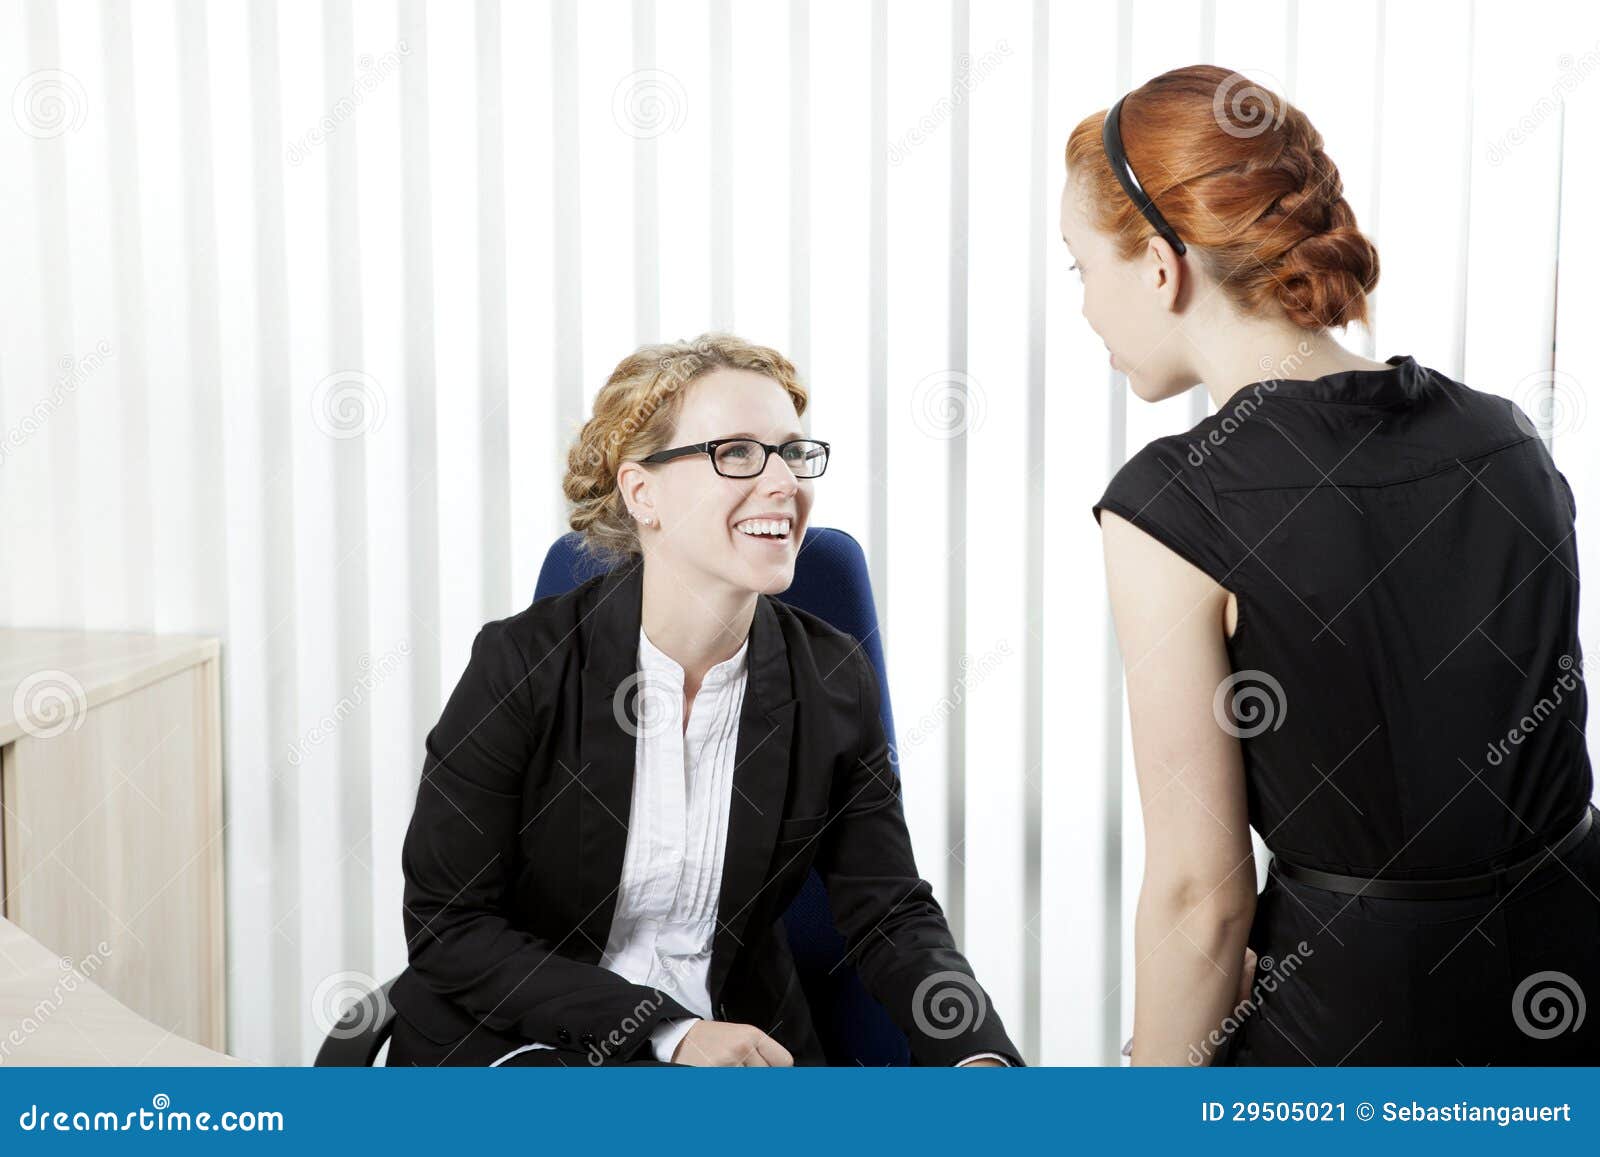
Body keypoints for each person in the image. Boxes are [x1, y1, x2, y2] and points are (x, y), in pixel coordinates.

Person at [1065, 64, 1599, 1064]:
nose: (1085, 307)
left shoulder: (1172, 504)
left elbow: (1199, 901)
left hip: (1353, 1032)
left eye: (1079, 268)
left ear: (1157, 264)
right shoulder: (1504, 436)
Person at [387, 333, 1021, 1067]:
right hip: (528, 1044)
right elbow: (450, 923)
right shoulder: (522, 664)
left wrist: (979, 1056)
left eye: (792, 451)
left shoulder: (830, 679)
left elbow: (889, 911)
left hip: (741, 1050)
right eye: (738, 452)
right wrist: (669, 1031)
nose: (784, 482)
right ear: (641, 491)